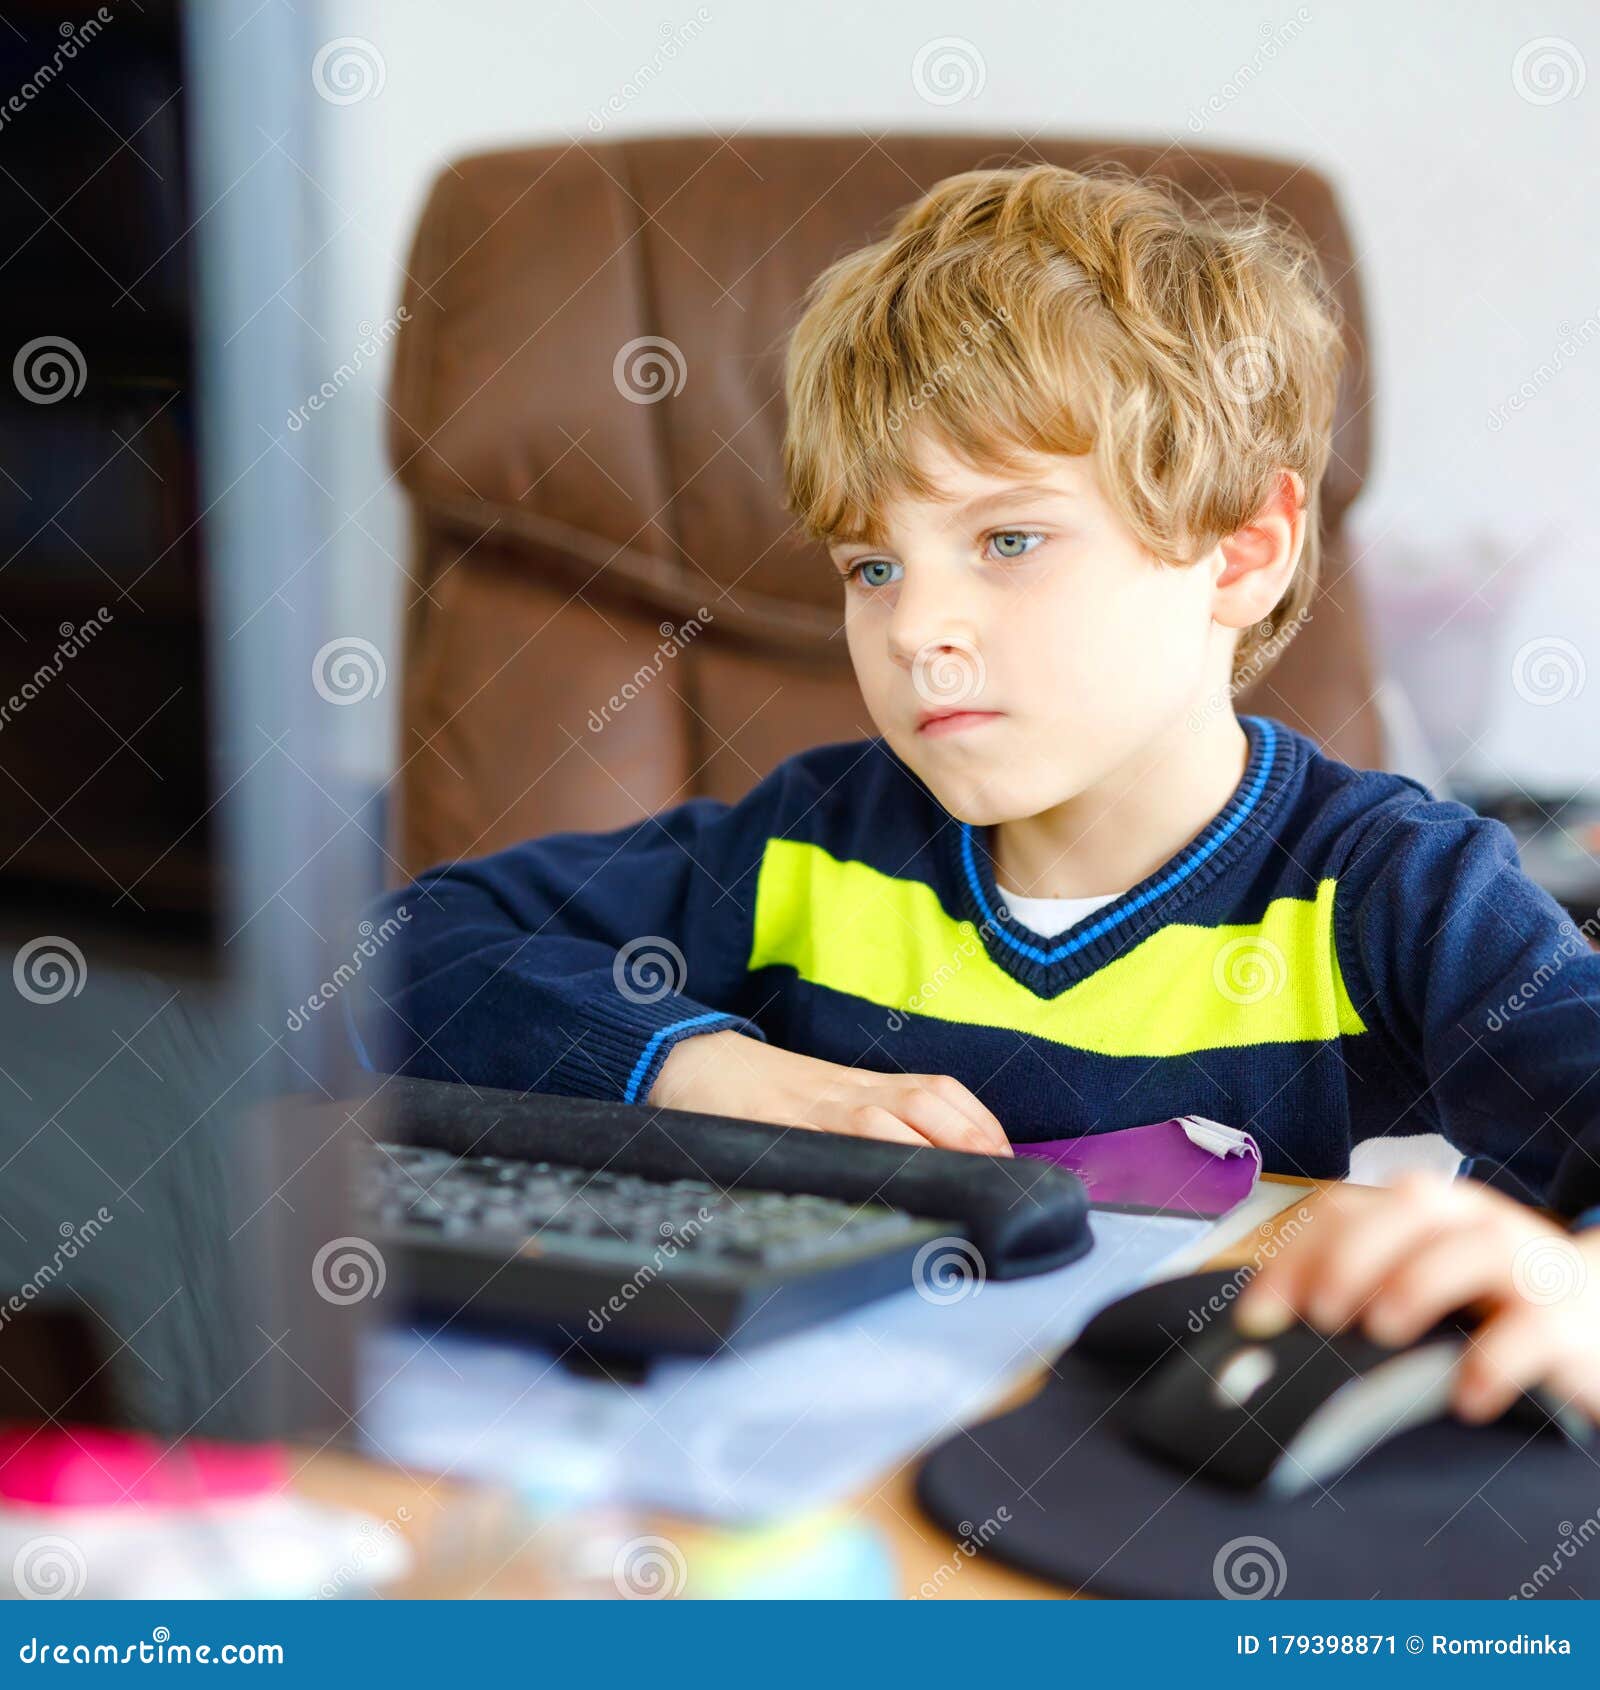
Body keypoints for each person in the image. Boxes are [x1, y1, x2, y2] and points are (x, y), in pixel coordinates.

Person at [347, 163, 1600, 1408]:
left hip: (1150, 1490)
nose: (913, 628)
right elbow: (397, 952)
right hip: (816, 1456)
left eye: (1008, 540)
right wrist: (717, 1073)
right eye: (870, 566)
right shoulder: (805, 848)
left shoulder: (1391, 890)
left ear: (1240, 550)